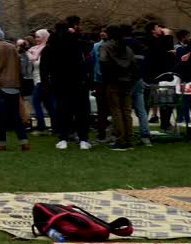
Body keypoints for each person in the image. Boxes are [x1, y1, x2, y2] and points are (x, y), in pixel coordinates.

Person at [41, 21, 91, 150]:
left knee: (63, 110)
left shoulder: (50, 47)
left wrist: (46, 83)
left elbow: (44, 68)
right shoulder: (76, 43)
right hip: (78, 81)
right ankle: (83, 139)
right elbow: (88, 47)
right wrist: (76, 34)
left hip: (60, 82)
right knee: (81, 111)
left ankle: (63, 138)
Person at [0, 24, 28, 151]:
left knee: (0, 116)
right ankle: (24, 142)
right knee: (16, 115)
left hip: (0, 85)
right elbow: (18, 65)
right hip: (14, 84)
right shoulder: (11, 46)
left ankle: (1, 143)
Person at [99, 24, 138, 151]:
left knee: (116, 111)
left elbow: (103, 61)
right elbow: (134, 65)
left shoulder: (105, 46)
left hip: (113, 81)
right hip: (127, 82)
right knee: (126, 111)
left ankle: (120, 140)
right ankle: (128, 138)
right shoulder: (127, 48)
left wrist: (110, 74)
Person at [27, 29, 50, 133]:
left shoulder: (46, 49)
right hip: (36, 79)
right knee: (49, 104)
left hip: (42, 80)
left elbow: (38, 64)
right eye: (35, 37)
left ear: (44, 37)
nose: (36, 39)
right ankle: (57, 125)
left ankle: (41, 126)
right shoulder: (35, 49)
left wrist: (30, 57)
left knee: (36, 102)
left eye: (38, 37)